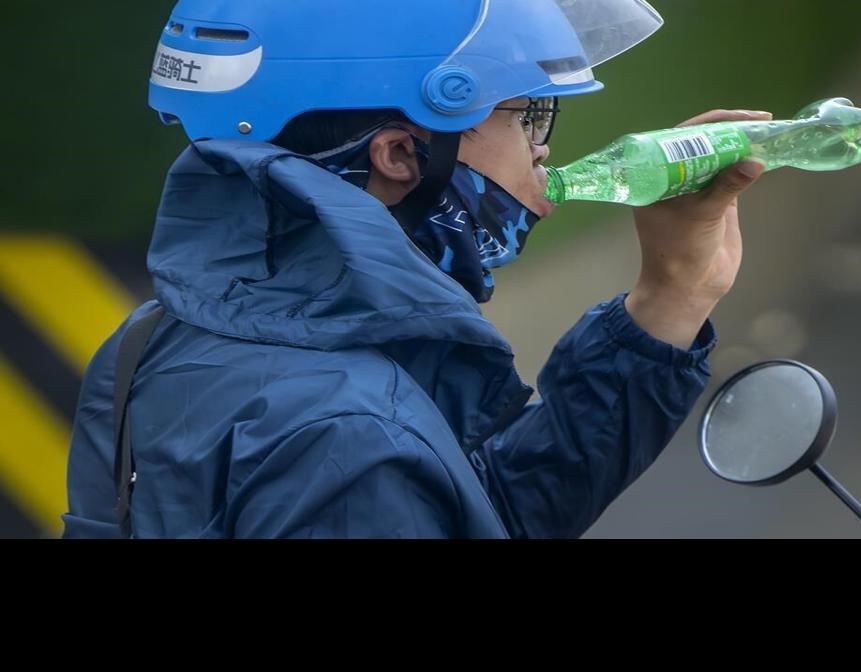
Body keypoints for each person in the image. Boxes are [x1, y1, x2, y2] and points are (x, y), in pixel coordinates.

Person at [62, 0, 772, 538]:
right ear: (401, 156)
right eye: (527, 117)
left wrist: (672, 296)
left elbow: (474, 508)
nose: (541, 152)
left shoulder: (151, 339)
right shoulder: (346, 435)